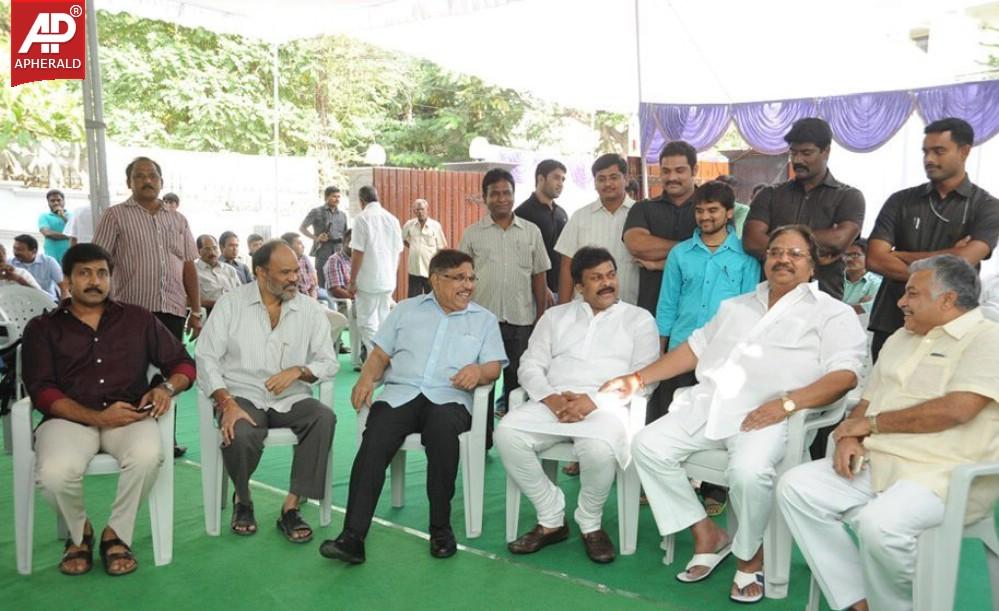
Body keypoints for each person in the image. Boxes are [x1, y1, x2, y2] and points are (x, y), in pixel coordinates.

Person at [602, 224, 865, 604]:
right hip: (711, 405)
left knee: (748, 472)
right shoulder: (736, 306)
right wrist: (638, 377)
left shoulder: (832, 313)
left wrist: (787, 404)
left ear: (812, 266)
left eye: (794, 254)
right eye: (775, 252)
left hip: (771, 415)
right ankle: (706, 533)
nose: (783, 259)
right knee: (646, 445)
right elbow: (693, 350)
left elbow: (845, 375)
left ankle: (749, 556)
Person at [778, 254, 999, 611]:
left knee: (879, 525)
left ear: (947, 300)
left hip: (945, 475)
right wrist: (850, 435)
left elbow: (958, 408)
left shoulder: (989, 338)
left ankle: (899, 606)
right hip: (879, 462)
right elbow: (867, 401)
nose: (900, 301)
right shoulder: (901, 337)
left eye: (912, 294)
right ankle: (857, 598)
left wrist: (872, 425)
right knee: (796, 487)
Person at [320, 249, 506, 564]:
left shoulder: (484, 320)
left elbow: (493, 367)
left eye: (471, 278)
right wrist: (366, 379)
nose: (468, 285)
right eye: (459, 277)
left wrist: (478, 371)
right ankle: (352, 536)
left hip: (449, 399)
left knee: (443, 436)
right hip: (400, 395)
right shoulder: (406, 310)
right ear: (435, 279)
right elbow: (379, 355)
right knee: (374, 439)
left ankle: (441, 527)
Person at [21, 243, 195, 576]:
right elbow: (41, 390)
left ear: (111, 278)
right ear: (67, 280)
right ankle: (79, 532)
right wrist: (98, 418)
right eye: (84, 273)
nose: (94, 281)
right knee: (55, 474)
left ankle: (116, 532)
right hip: (68, 418)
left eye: (102, 273)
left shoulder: (137, 319)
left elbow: (183, 363)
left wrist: (166, 387)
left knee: (148, 456)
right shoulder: (43, 329)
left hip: (128, 414)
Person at [496, 246, 659, 564]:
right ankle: (552, 517)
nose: (607, 283)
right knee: (507, 433)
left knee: (597, 450)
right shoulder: (555, 316)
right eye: (596, 278)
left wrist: (593, 402)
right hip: (553, 401)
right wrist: (552, 399)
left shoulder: (639, 320)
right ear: (580, 287)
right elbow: (530, 364)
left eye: (610, 275)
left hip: (607, 406)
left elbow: (646, 379)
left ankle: (590, 523)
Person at [195, 240, 338, 542]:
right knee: (241, 430)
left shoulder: (309, 310)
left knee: (323, 418)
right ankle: (243, 499)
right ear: (260, 273)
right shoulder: (231, 304)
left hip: (293, 397)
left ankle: (291, 506)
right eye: (285, 272)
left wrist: (299, 370)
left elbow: (328, 361)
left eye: (296, 270)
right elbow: (206, 357)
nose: (294, 278)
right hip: (242, 394)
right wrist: (226, 402)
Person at [93, 157, 201, 458]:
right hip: (129, 311)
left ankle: (168, 437)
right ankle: (124, 435)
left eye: (152, 175)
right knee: (130, 373)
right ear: (129, 183)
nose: (147, 181)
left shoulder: (178, 220)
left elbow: (189, 266)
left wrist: (195, 310)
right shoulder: (114, 216)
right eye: (139, 176)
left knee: (171, 374)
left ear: (161, 181)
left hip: (172, 308)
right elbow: (99, 263)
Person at [866, 117, 999, 362]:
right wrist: (945, 266)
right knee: (885, 394)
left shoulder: (987, 207)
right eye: (926, 151)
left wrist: (899, 255)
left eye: (939, 151)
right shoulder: (900, 201)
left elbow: (965, 260)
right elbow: (874, 259)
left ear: (964, 151)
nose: (929, 159)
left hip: (951, 322)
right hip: (894, 317)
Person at [459, 168, 550, 426]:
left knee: (518, 381)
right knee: (481, 382)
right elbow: (461, 278)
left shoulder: (531, 232)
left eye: (506, 193)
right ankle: (482, 438)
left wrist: (540, 317)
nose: (501, 199)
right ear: (484, 197)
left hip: (521, 320)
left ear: (514, 194)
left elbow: (539, 277)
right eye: (494, 194)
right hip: (481, 322)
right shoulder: (472, 234)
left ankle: (515, 434)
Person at [743, 117, 866, 300]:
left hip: (824, 299)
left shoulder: (849, 196)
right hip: (773, 299)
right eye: (793, 153)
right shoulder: (769, 194)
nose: (797, 160)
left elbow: (839, 240)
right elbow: (752, 241)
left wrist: (776, 243)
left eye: (806, 153)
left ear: (826, 152)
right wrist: (815, 249)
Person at [624, 141, 699, 318]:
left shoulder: (712, 207)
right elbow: (637, 245)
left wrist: (657, 262)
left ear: (694, 170)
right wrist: (696, 246)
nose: (672, 177)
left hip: (700, 311)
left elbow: (718, 254)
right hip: (652, 311)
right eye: (666, 171)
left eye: (679, 170)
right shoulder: (643, 208)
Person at [555, 154, 639, 305]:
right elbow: (567, 265)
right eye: (601, 179)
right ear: (594, 183)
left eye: (613, 177)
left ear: (626, 179)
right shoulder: (580, 217)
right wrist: (562, 309)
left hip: (629, 311)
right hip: (586, 311)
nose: (607, 184)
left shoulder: (641, 214)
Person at [349, 185, 403, 356]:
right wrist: (391, 273)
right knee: (384, 322)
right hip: (387, 280)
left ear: (361, 200)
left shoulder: (361, 218)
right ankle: (386, 357)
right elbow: (399, 251)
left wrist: (352, 281)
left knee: (366, 323)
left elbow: (358, 251)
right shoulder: (392, 219)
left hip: (368, 281)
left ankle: (378, 360)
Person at [514, 159, 569, 303]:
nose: (561, 184)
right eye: (556, 177)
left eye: (563, 179)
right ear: (541, 179)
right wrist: (541, 287)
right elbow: (518, 256)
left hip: (562, 291)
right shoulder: (523, 213)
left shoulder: (561, 214)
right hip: (533, 294)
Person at [300, 185, 349, 288]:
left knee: (339, 280)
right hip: (323, 250)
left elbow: (346, 235)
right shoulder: (317, 212)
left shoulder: (342, 215)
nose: (337, 199)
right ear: (326, 197)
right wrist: (316, 238)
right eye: (334, 196)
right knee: (322, 279)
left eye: (339, 197)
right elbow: (302, 228)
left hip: (339, 250)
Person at [324, 230, 360, 363]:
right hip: (346, 304)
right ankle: (362, 355)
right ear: (344, 241)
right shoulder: (335, 260)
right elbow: (335, 289)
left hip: (364, 299)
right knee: (367, 314)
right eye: (351, 242)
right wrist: (355, 298)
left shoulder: (362, 258)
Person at [402, 198, 447, 297]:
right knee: (413, 301)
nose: (420, 212)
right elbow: (403, 239)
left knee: (432, 300)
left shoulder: (435, 226)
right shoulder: (409, 225)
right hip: (414, 269)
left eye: (422, 209)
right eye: (417, 209)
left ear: (427, 210)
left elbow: (442, 247)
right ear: (414, 211)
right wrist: (413, 248)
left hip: (430, 270)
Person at [195, 234, 241, 315]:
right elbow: (187, 300)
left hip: (234, 313)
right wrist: (217, 304)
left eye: (214, 248)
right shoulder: (194, 272)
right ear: (199, 251)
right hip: (209, 314)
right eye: (207, 249)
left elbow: (241, 294)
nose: (212, 252)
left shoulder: (230, 270)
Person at [10, 234, 64, 301]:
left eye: (20, 250)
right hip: (19, 303)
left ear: (34, 251)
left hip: (46, 302)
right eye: (14, 248)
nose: (16, 252)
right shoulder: (9, 263)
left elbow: (63, 286)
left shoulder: (49, 262)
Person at [842, 238, 882, 316]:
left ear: (868, 257)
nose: (849, 259)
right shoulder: (834, 280)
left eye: (855, 255)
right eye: (846, 255)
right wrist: (859, 306)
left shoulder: (876, 283)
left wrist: (836, 308)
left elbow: (874, 307)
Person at [282, 232, 319, 299]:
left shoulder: (304, 258)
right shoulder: (283, 264)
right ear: (288, 246)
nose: (303, 246)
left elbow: (314, 284)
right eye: (299, 243)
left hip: (311, 296)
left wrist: (313, 300)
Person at [38, 189, 71, 263]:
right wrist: (68, 236)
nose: (56, 203)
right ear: (48, 202)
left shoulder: (72, 215)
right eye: (52, 201)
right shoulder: (44, 216)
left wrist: (63, 216)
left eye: (59, 200)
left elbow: (73, 229)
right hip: (52, 257)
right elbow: (47, 233)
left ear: (64, 201)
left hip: (69, 255)